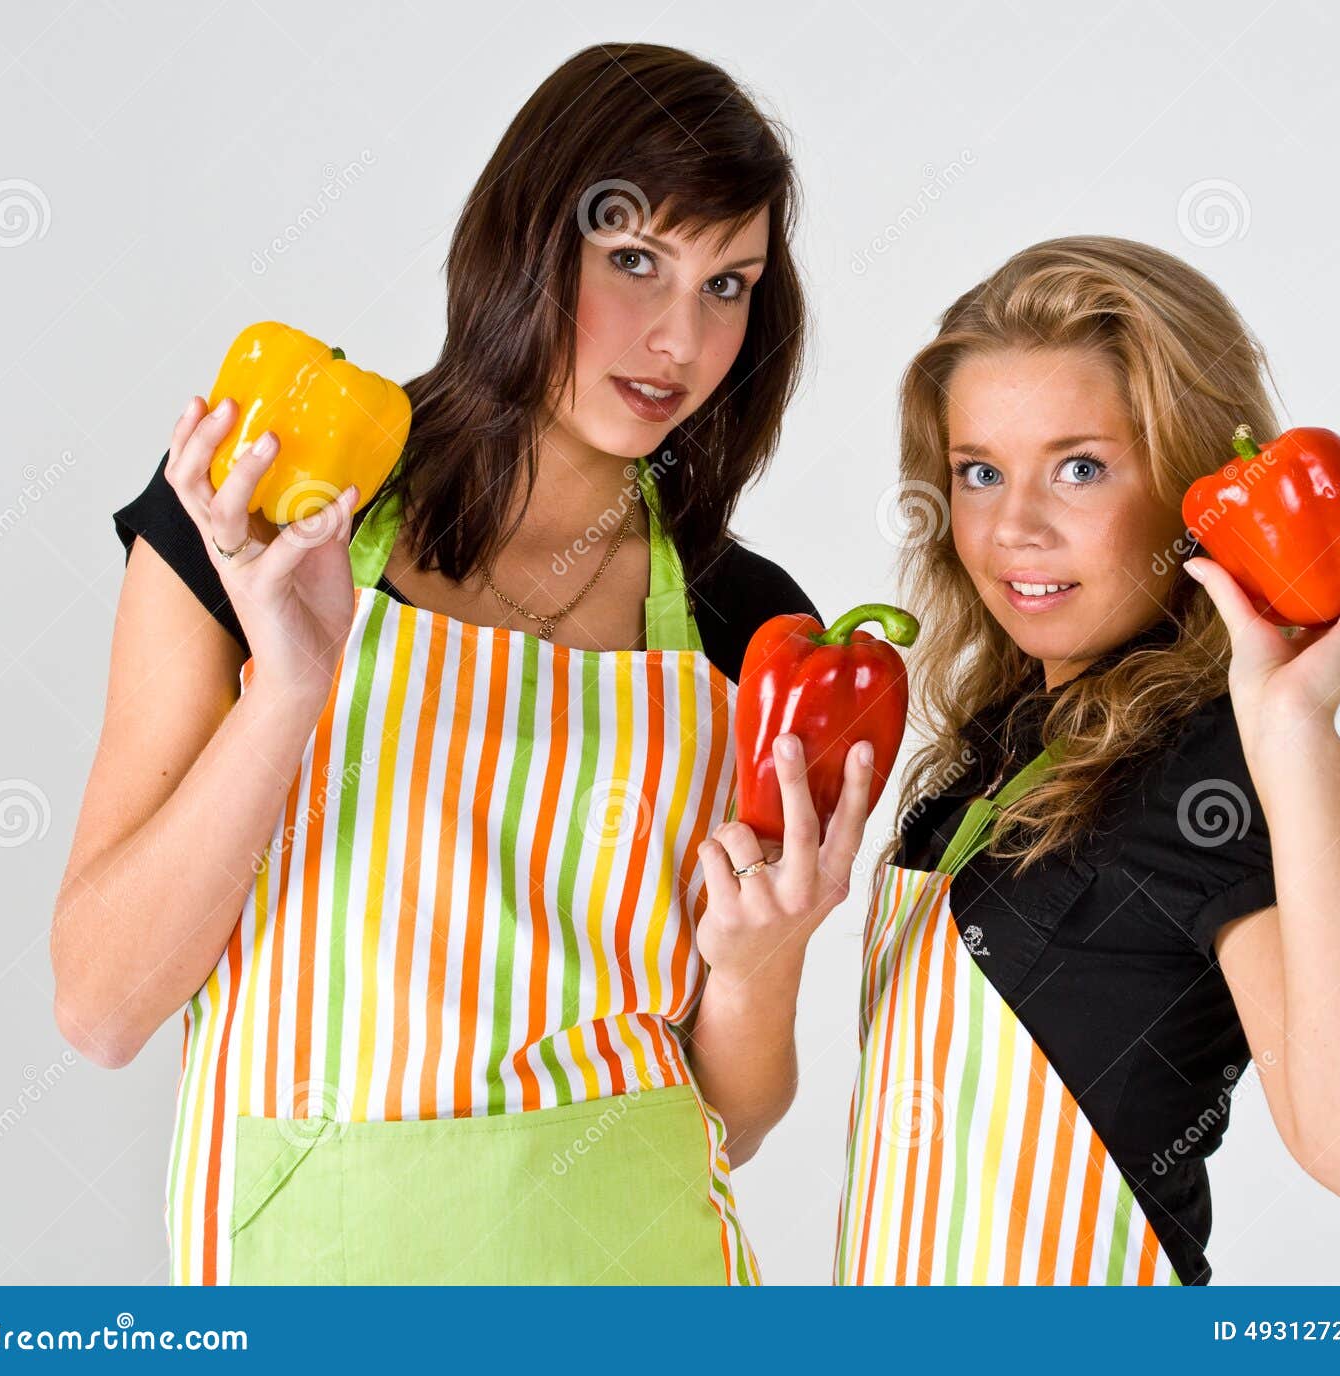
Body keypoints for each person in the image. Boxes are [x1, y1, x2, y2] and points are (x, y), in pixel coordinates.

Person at [52, 43, 872, 1285]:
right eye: (634, 260)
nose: (678, 337)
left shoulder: (751, 631)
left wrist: (761, 961)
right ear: (523, 240)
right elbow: (103, 1007)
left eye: (727, 284)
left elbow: (732, 1118)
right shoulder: (267, 509)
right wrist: (290, 688)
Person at [834, 236, 1340, 1285]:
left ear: (1193, 489)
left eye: (1080, 468)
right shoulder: (994, 752)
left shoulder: (1218, 769)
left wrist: (1295, 733)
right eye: (980, 472)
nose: (1014, 527)